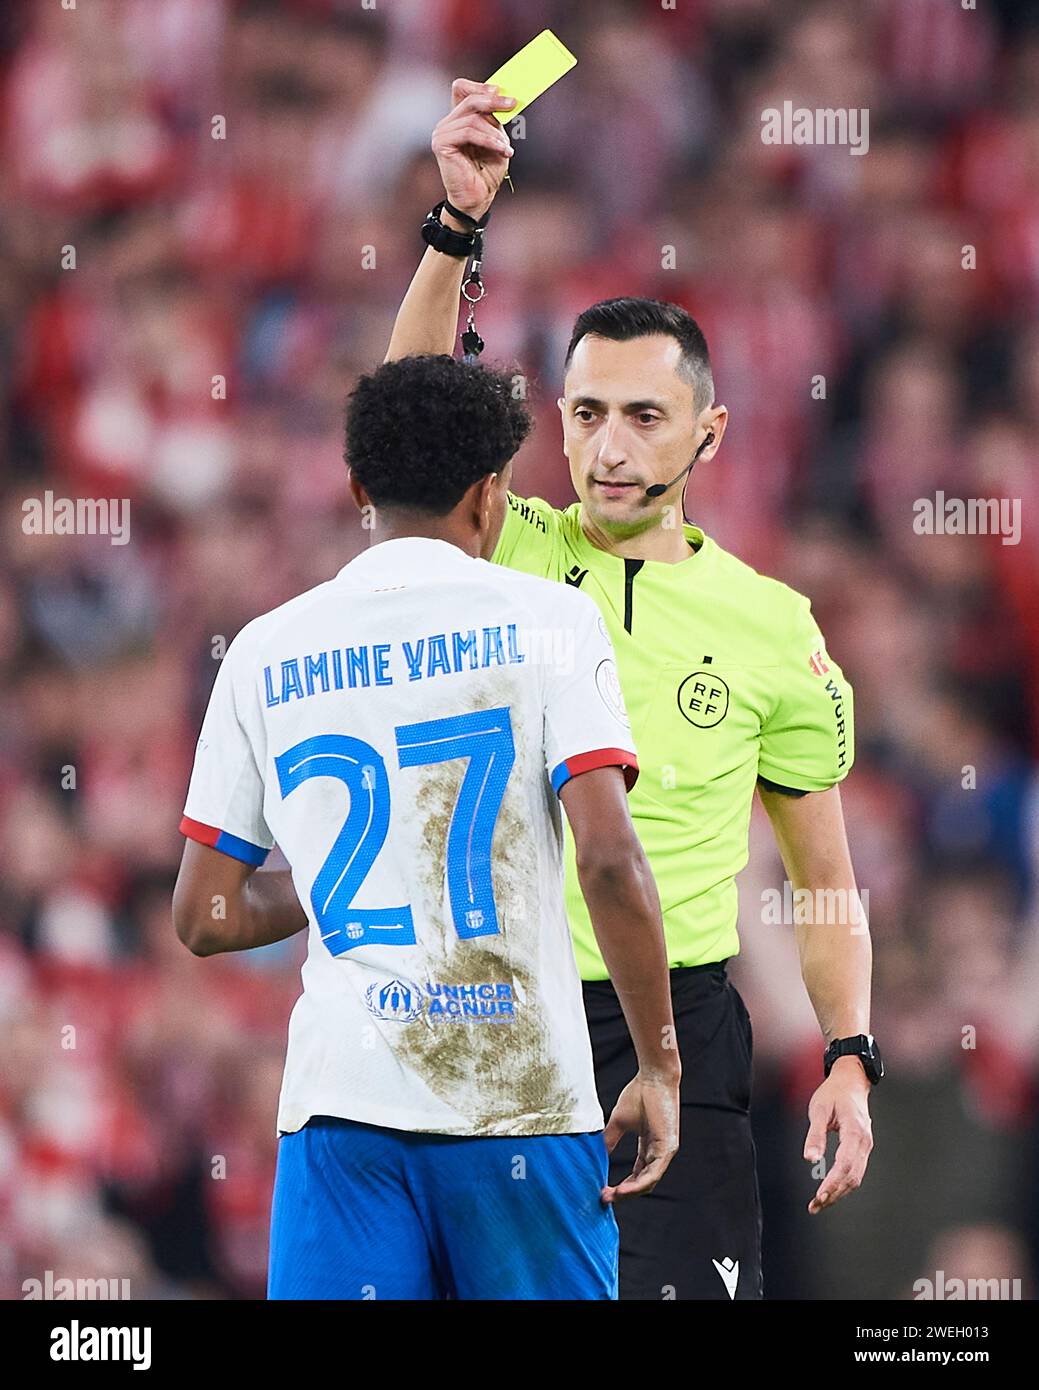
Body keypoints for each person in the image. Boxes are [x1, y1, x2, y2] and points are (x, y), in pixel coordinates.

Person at [381, 79, 880, 1300]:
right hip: (501, 1018)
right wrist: (456, 225)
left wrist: (852, 1052)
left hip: (683, 1026)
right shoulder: (513, 546)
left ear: (707, 437)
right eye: (589, 413)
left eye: (646, 418)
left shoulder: (772, 626)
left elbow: (823, 879)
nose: (609, 448)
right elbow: (403, 426)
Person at [172, 352, 680, 1301]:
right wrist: (657, 1062)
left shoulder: (263, 649)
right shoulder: (552, 620)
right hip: (521, 1103)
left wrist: (328, 882)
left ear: (357, 485)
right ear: (489, 496)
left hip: (341, 1113)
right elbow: (610, 863)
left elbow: (203, 916)